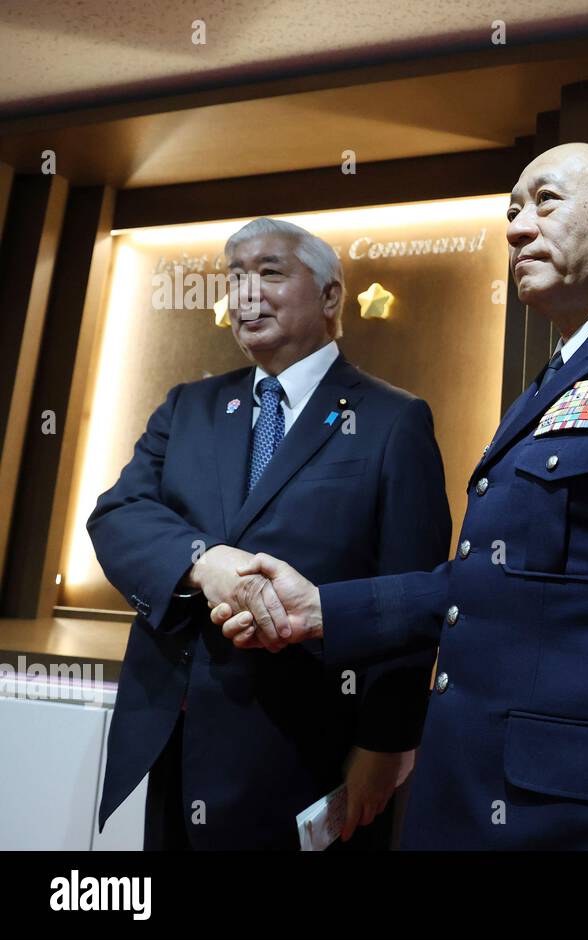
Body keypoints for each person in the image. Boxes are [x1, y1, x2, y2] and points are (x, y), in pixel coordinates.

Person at [215, 144, 588, 850]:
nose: (516, 228)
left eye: (544, 201)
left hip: (579, 821)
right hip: (470, 798)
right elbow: (486, 587)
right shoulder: (552, 389)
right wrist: (320, 609)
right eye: (511, 211)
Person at [90, 217, 452, 849]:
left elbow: (408, 596)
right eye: (234, 277)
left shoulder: (394, 420)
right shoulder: (189, 406)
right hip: (182, 742)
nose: (245, 293)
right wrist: (205, 562)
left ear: (332, 296)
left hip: (307, 751)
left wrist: (382, 746)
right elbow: (119, 514)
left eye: (270, 272)